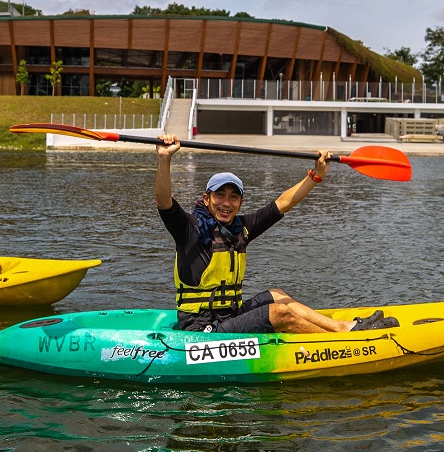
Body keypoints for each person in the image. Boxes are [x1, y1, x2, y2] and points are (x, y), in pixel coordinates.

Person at [155, 134, 398, 333]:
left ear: (240, 202)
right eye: (220, 196)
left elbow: (283, 203)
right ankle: (342, 340)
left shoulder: (242, 228)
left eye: (233, 197)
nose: (226, 203)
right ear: (207, 199)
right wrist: (165, 159)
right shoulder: (189, 228)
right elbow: (164, 200)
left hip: (229, 316)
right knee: (279, 313)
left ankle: (343, 327)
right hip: (201, 329)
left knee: (277, 296)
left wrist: (316, 175)